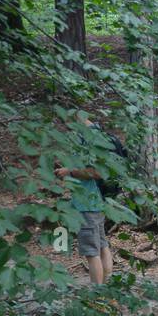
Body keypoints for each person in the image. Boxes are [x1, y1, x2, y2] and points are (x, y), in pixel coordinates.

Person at [55, 113, 113, 285]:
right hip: (97, 203)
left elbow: (95, 172)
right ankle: (107, 288)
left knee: (91, 252)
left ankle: (97, 295)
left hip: (87, 205)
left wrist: (69, 171)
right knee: (102, 246)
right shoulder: (98, 134)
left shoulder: (89, 137)